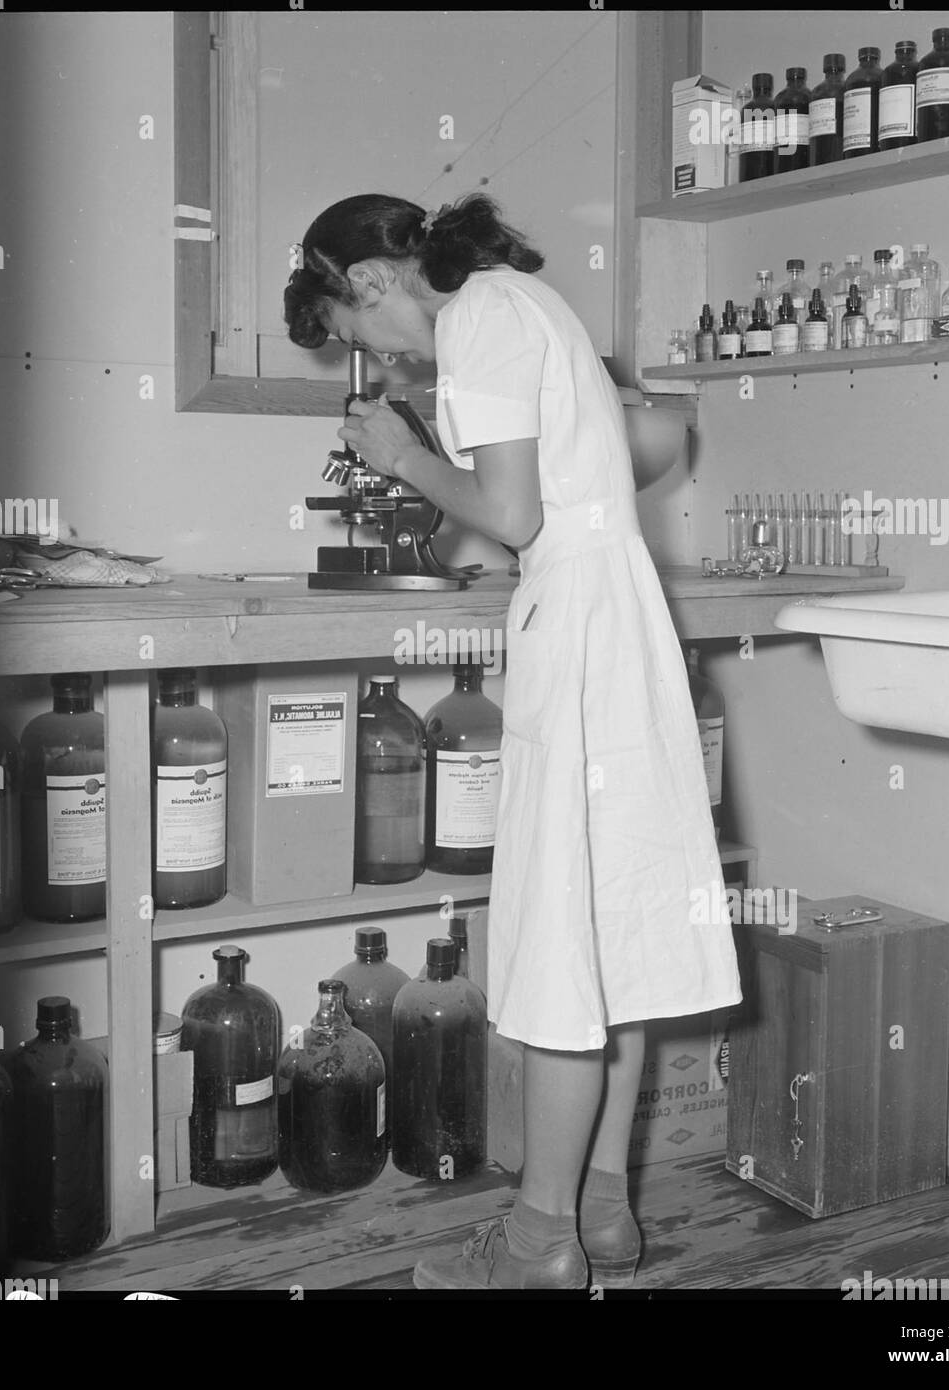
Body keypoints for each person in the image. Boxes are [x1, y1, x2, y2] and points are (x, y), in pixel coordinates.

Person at [285, 194, 741, 1290]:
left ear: (377, 283)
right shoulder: (524, 299)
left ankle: (540, 1248)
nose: (376, 354)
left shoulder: (479, 315)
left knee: (553, 957)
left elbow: (516, 513)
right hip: (616, 617)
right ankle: (602, 1209)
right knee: (608, 935)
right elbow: (565, 489)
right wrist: (428, 431)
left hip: (576, 625)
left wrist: (403, 452)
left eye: (359, 332)